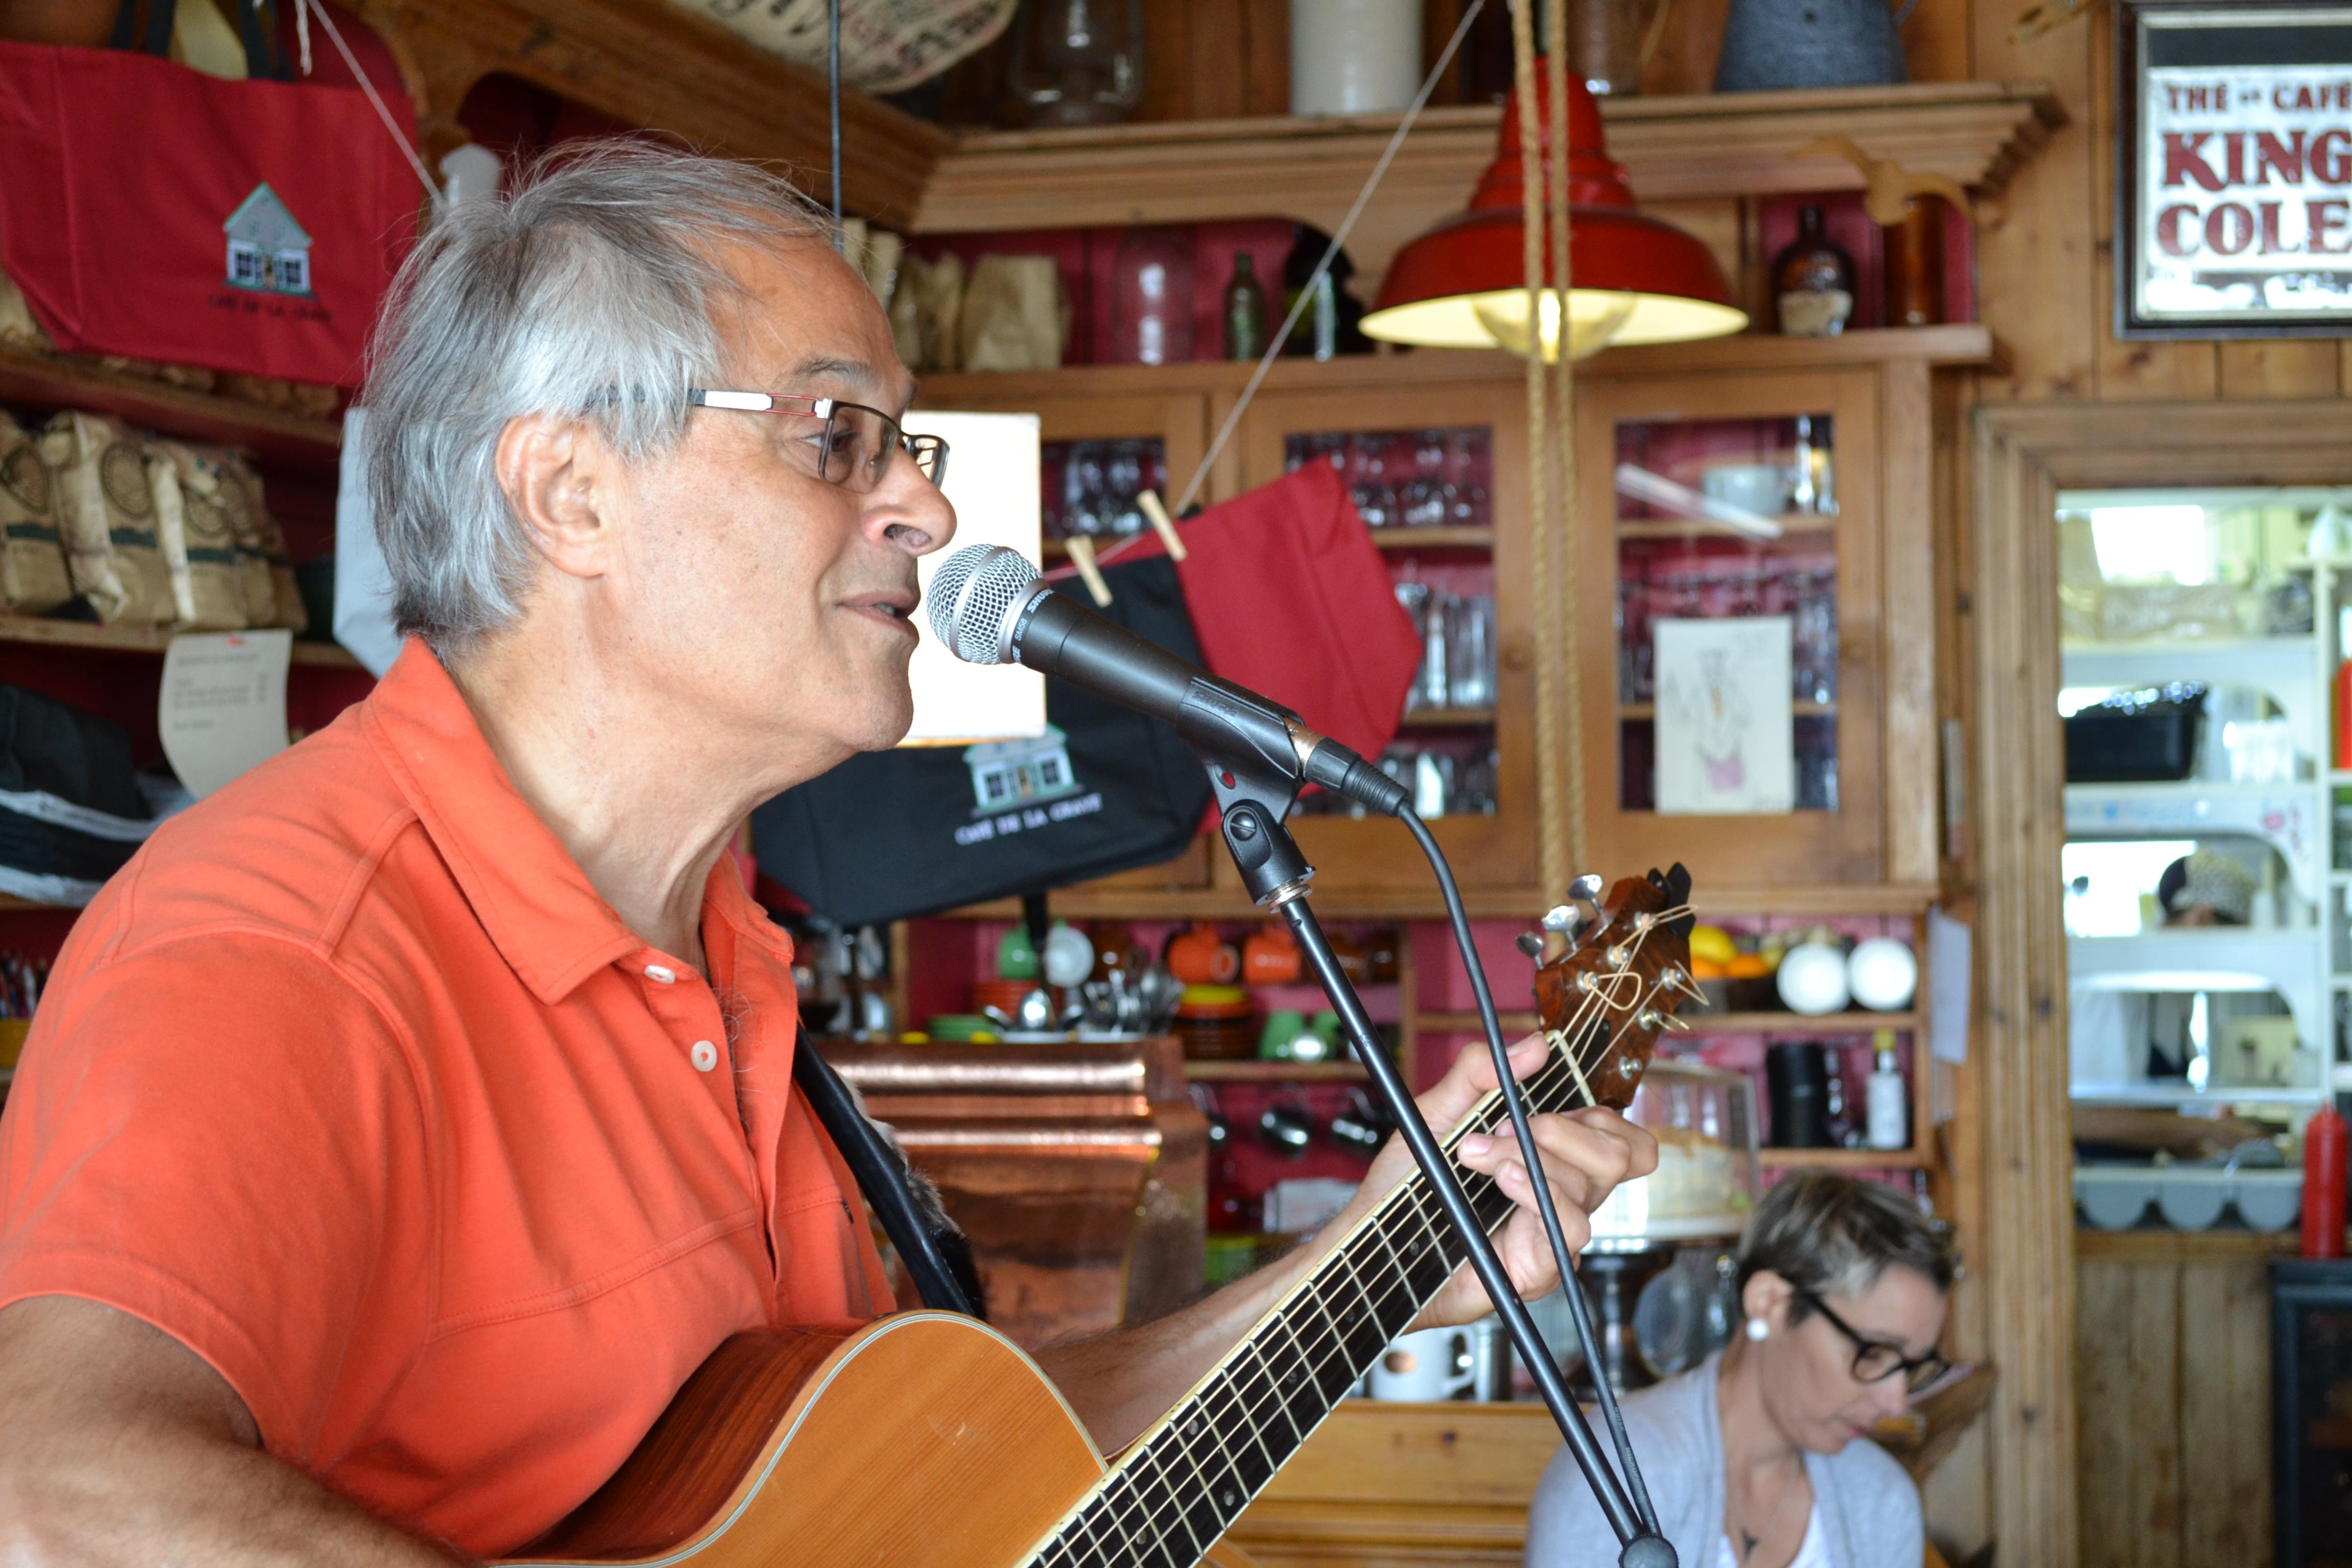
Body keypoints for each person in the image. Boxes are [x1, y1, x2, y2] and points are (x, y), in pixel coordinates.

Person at [0, 145, 1655, 1564]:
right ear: (569, 491)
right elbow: (48, 1491)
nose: (927, 513)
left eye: (904, 445)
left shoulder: (729, 954)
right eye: (832, 436)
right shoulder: (284, 943)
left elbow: (931, 1481)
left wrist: (1367, 1267)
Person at [1525, 1172, 1957, 1568]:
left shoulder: (1881, 1498)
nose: (1896, 1401)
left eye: (1912, 1367)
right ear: (1770, 1303)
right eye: (1874, 1354)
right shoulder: (1618, 1474)